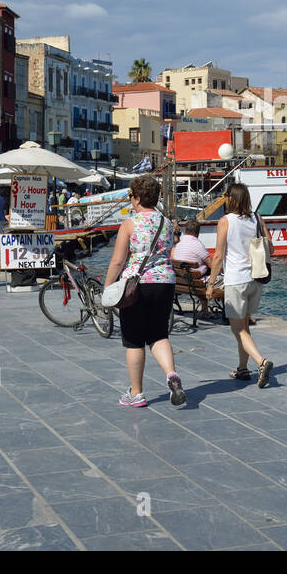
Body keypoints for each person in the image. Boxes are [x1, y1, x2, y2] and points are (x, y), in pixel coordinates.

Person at [102, 174, 185, 408]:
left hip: (136, 287)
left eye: (131, 196)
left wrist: (107, 288)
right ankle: (171, 375)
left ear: (137, 198)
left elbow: (118, 261)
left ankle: (136, 393)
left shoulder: (130, 224)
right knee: (159, 334)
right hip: (165, 283)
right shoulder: (167, 224)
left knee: (134, 340)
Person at [206, 186, 275, 385]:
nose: (224, 199)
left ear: (231, 198)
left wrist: (211, 284)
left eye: (226, 196)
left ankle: (261, 362)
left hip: (236, 280)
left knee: (238, 330)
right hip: (255, 279)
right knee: (244, 326)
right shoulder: (257, 218)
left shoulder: (226, 221)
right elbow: (270, 246)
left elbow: (218, 255)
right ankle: (242, 369)